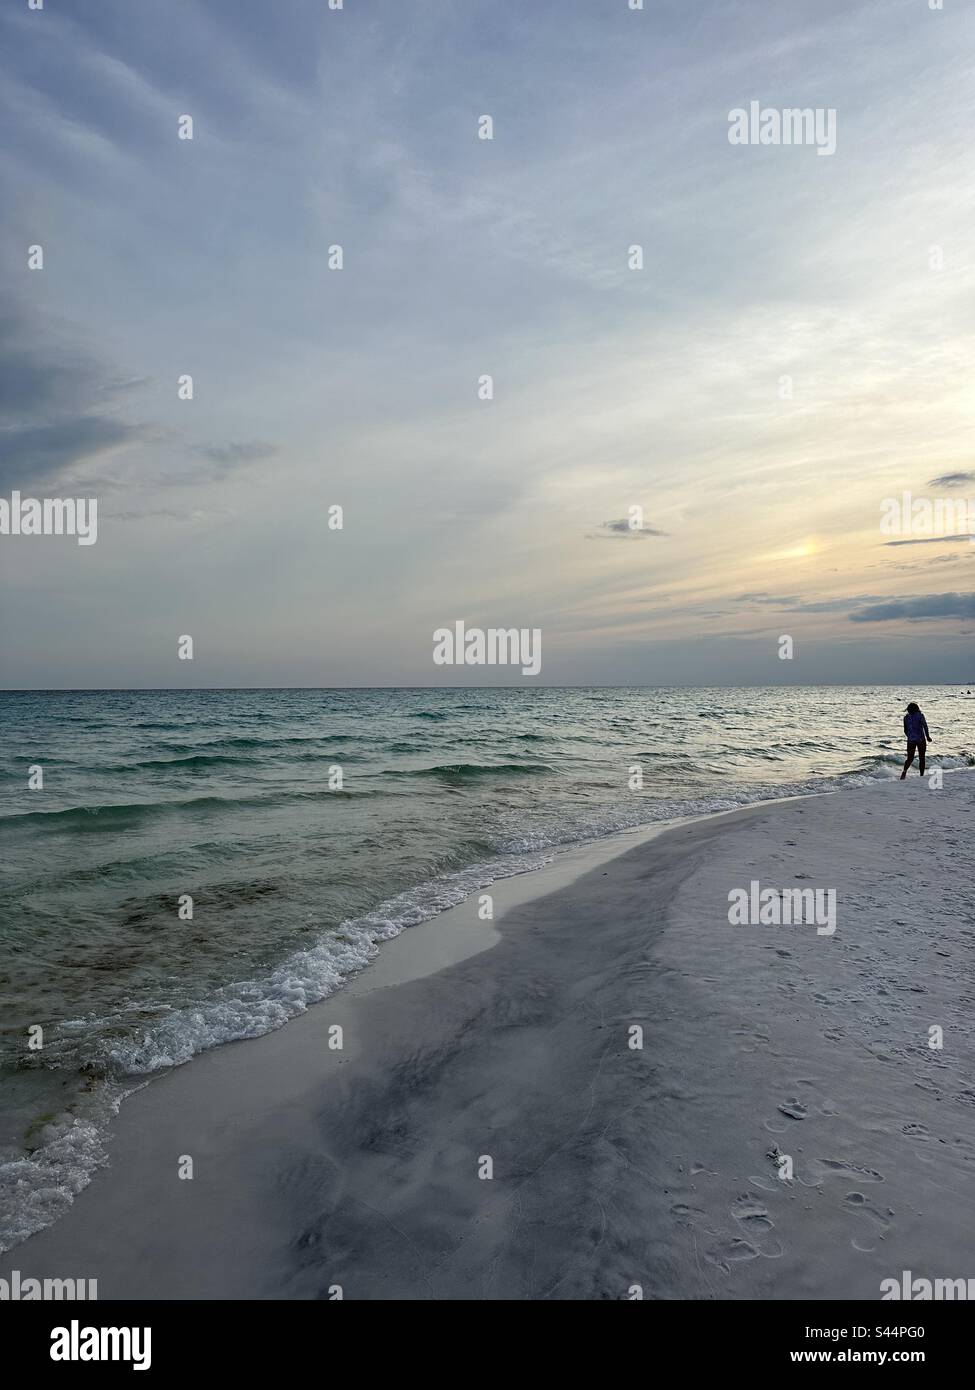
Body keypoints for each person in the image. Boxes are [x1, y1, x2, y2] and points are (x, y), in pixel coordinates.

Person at [900, 701, 931, 779]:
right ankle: (921, 775)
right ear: (917, 709)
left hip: (911, 740)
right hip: (921, 739)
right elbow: (925, 727)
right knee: (922, 758)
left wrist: (910, 737)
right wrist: (927, 737)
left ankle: (904, 772)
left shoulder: (906, 717)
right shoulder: (920, 716)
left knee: (910, 758)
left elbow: (905, 730)